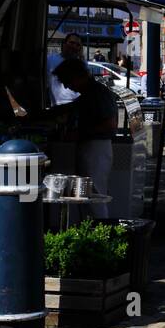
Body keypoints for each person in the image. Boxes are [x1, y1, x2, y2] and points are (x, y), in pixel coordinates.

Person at [51, 57, 118, 218]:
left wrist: (79, 133)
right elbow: (70, 108)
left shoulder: (97, 93)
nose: (67, 86)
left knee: (94, 196)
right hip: (91, 147)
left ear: (77, 76)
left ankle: (99, 234)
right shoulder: (89, 94)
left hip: (96, 148)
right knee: (87, 194)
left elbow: (110, 124)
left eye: (68, 81)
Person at [46, 33, 85, 109]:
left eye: (78, 45)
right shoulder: (50, 60)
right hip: (57, 106)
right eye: (72, 43)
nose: (74, 46)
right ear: (64, 44)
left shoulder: (82, 63)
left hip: (78, 105)